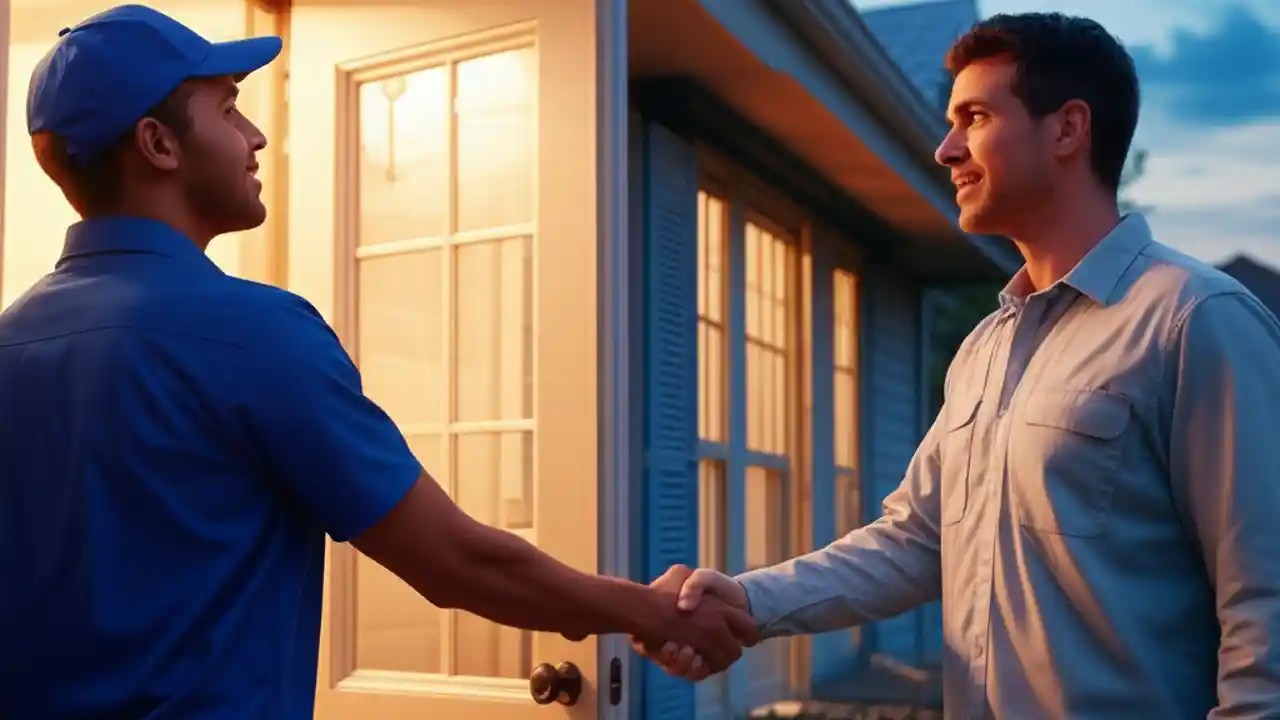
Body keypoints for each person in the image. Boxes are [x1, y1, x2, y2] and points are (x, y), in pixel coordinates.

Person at [0, 5, 755, 718]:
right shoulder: (252, 335)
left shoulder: (10, 344)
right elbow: (455, 561)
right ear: (158, 144)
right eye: (228, 110)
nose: (255, 136)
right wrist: (650, 610)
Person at [637, 11, 1280, 719]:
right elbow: (916, 541)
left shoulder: (1195, 319)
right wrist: (747, 600)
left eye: (974, 117)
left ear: (1068, 129)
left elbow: (1266, 597)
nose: (946, 150)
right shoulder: (985, 348)